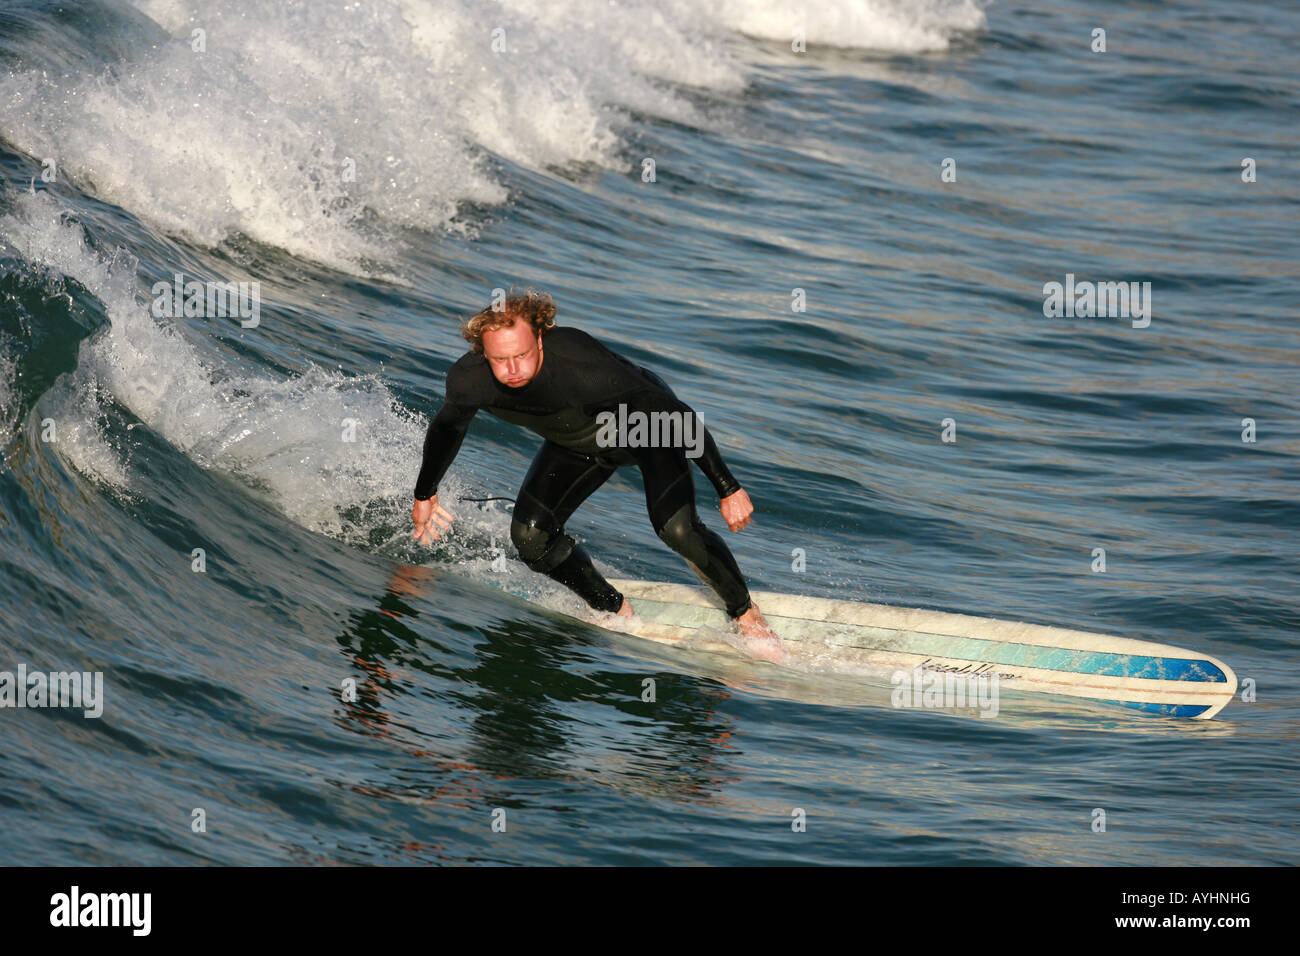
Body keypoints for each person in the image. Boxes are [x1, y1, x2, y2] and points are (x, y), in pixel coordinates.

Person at [411, 290, 784, 661]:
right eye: (500, 359)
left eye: (522, 355)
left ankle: (745, 612)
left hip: (646, 427)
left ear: (540, 339)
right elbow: (447, 429)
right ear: (482, 353)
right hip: (576, 443)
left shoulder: (583, 364)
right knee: (530, 539)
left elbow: (677, 416)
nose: (512, 370)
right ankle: (613, 608)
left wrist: (727, 487)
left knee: (677, 530)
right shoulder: (469, 380)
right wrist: (425, 494)